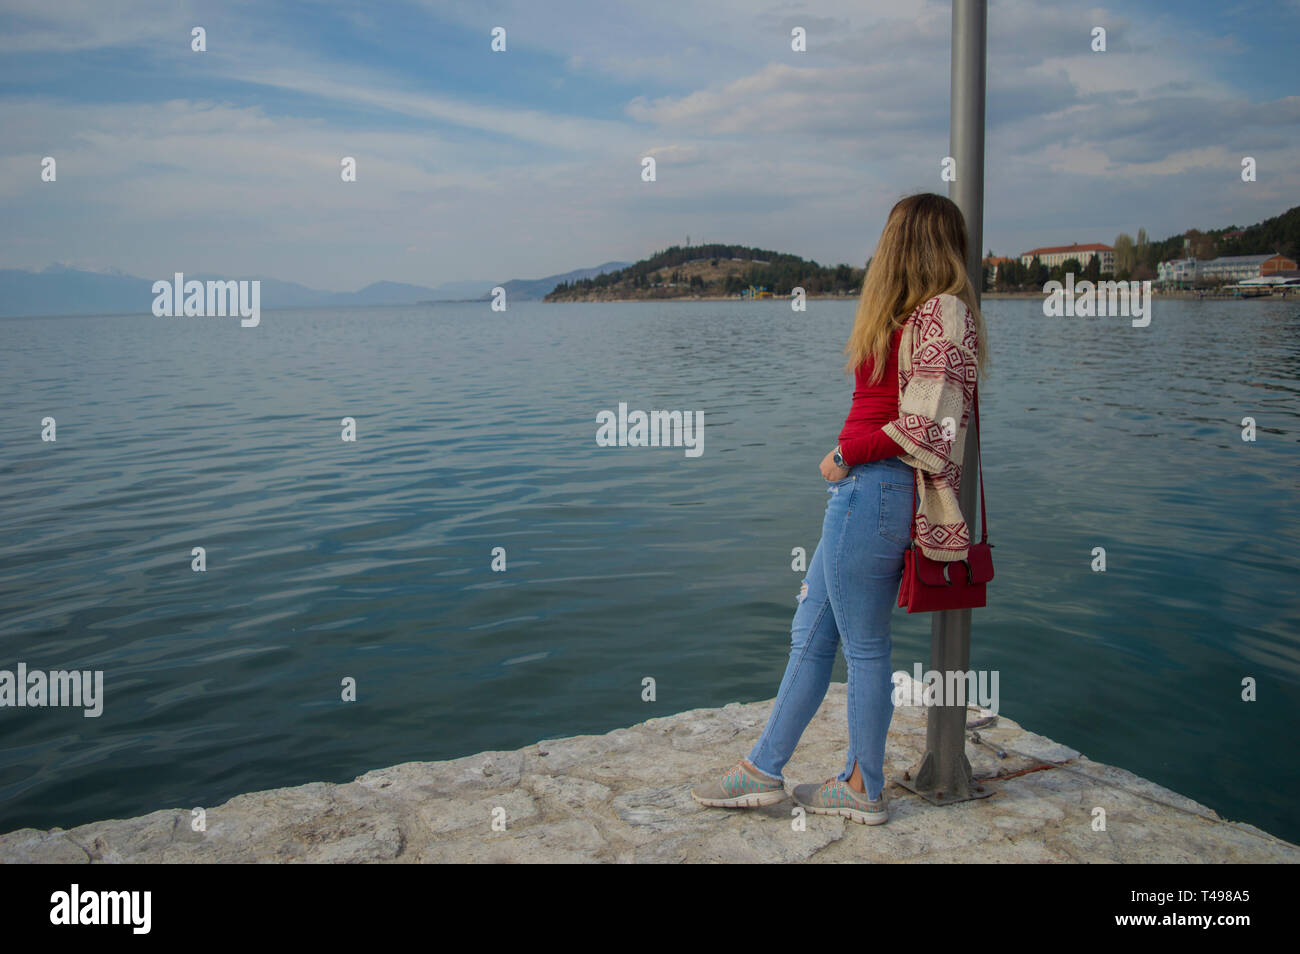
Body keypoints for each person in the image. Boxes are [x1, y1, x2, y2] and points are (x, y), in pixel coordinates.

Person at [691, 192, 988, 825]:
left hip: (876, 489)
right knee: (812, 633)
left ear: (906, 241)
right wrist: (847, 457)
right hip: (862, 490)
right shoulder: (909, 312)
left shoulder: (944, 311)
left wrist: (846, 452)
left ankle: (862, 784)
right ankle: (761, 771)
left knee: (865, 644)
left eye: (890, 235)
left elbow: (931, 424)